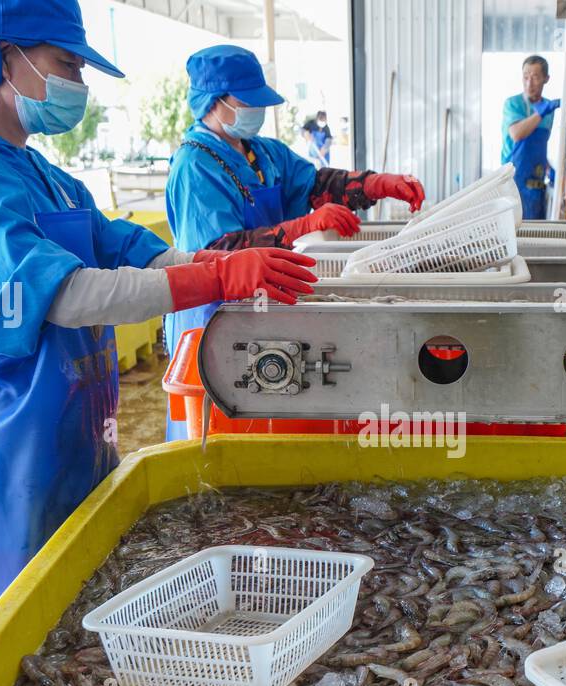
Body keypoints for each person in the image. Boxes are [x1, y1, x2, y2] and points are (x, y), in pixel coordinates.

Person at [0, 0, 317, 635]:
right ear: (5, 57)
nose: (79, 85)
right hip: (8, 445)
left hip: (81, 432)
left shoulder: (45, 175)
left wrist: (222, 262)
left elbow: (126, 248)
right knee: (19, 637)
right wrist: (216, 274)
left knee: (84, 623)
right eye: (67, 63)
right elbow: (65, 294)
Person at [164, 45, 425, 437]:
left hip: (262, 302)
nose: (257, 111)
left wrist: (376, 183)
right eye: (246, 101)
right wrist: (301, 227)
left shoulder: (263, 153)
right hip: (212, 318)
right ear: (214, 102)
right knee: (221, 426)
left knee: (269, 410)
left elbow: (317, 183)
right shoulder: (194, 166)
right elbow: (218, 252)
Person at [502, 55, 560, 220]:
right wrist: (540, 113)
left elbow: (539, 146)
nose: (529, 83)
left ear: (546, 79)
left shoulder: (548, 110)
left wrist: (549, 168)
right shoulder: (513, 104)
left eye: (535, 77)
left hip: (537, 186)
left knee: (535, 235)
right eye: (526, 76)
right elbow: (517, 134)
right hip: (513, 183)